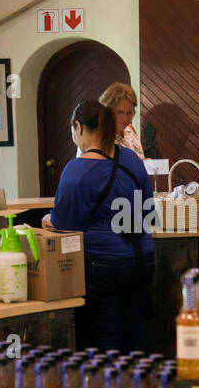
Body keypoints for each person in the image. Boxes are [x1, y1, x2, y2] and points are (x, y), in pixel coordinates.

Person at [42, 100, 155, 351]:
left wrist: (49, 220)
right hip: (142, 258)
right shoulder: (132, 159)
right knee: (135, 334)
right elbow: (148, 208)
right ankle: (139, 387)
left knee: (106, 337)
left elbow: (64, 222)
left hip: (104, 263)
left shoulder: (78, 168)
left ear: (79, 127)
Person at [99, 82, 145, 159]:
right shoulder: (97, 137)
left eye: (129, 113)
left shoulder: (129, 129)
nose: (125, 119)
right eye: (120, 113)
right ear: (107, 111)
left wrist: (145, 163)